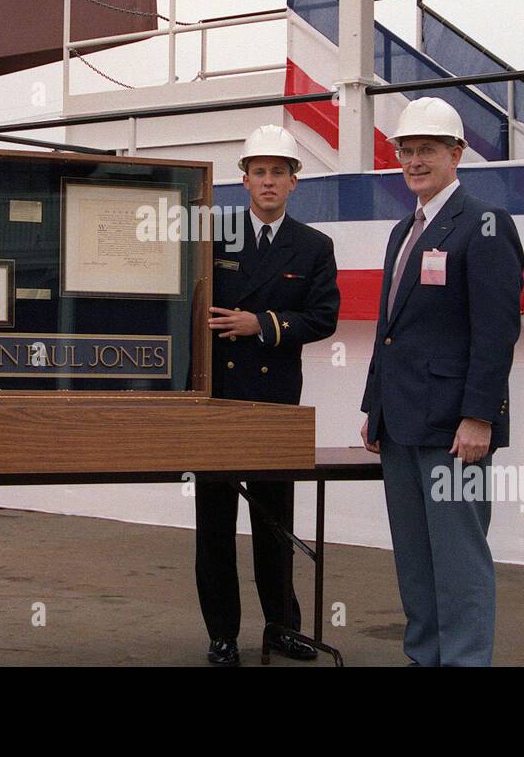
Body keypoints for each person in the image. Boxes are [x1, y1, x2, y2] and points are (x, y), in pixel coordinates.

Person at [359, 96, 524, 667]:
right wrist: (373, 408)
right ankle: (424, 657)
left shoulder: (484, 224)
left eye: (427, 150)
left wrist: (480, 416)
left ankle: (464, 660)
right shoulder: (404, 229)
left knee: (458, 558)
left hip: (456, 429)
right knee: (415, 557)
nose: (414, 161)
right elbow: (390, 330)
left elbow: (496, 331)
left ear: (457, 153)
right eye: (406, 151)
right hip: (401, 425)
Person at [198, 124, 340, 666]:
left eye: (279, 172)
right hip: (219, 399)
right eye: (259, 172)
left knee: (275, 521)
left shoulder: (313, 246)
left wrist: (261, 323)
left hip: (274, 402)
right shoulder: (216, 236)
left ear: (293, 181)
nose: (268, 181)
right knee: (214, 523)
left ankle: (283, 626)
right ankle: (223, 634)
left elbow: (323, 317)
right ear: (245, 179)